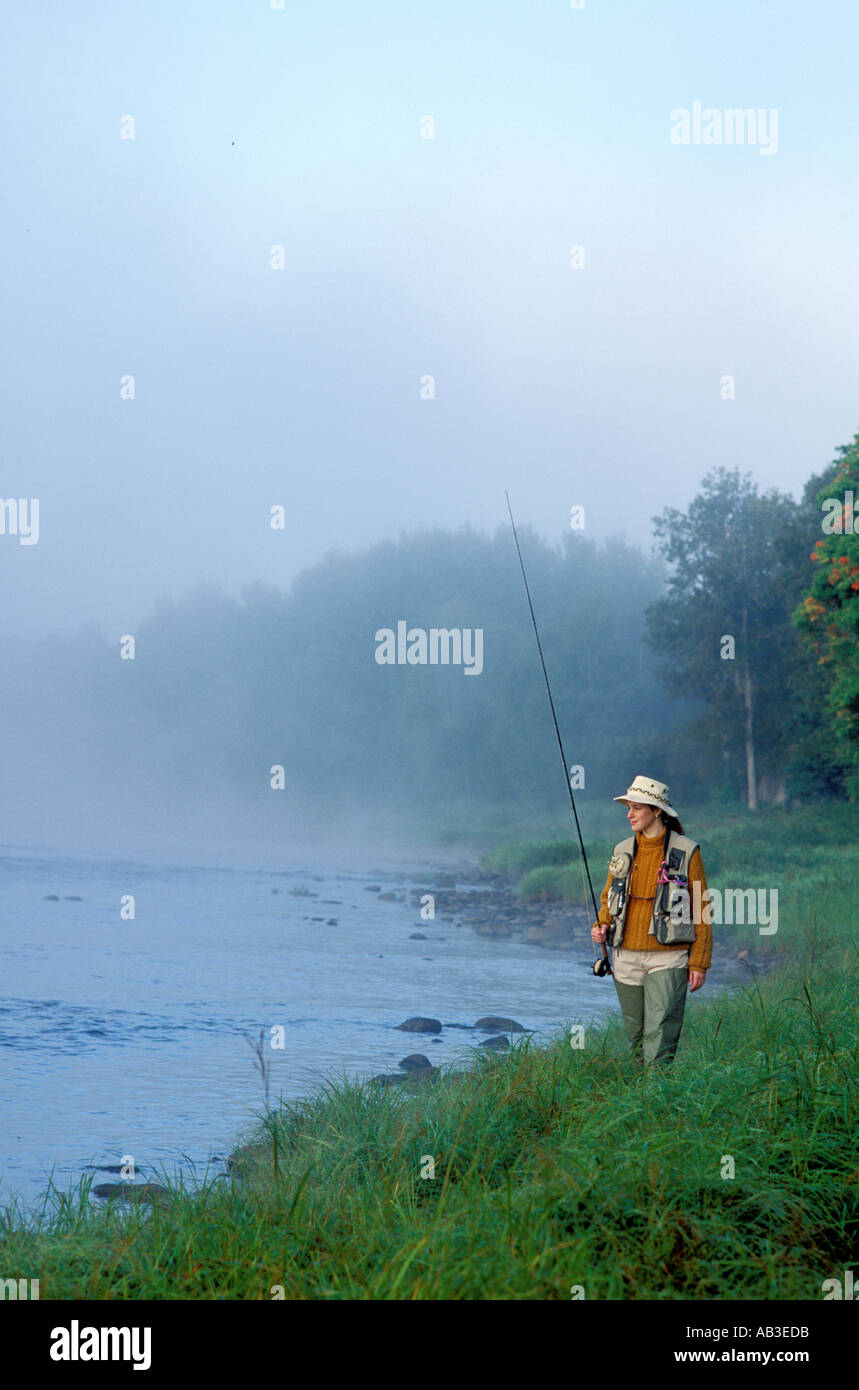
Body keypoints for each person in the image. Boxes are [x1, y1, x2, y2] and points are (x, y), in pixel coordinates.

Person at [590, 775, 712, 1068]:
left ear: (657, 811)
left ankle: (657, 1100)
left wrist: (699, 962)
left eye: (637, 808)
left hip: (669, 958)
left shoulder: (686, 851)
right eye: (628, 808)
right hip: (624, 957)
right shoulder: (621, 851)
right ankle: (638, 1104)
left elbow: (702, 908)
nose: (629, 814)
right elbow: (609, 897)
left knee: (661, 1037)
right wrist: (601, 925)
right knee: (636, 1037)